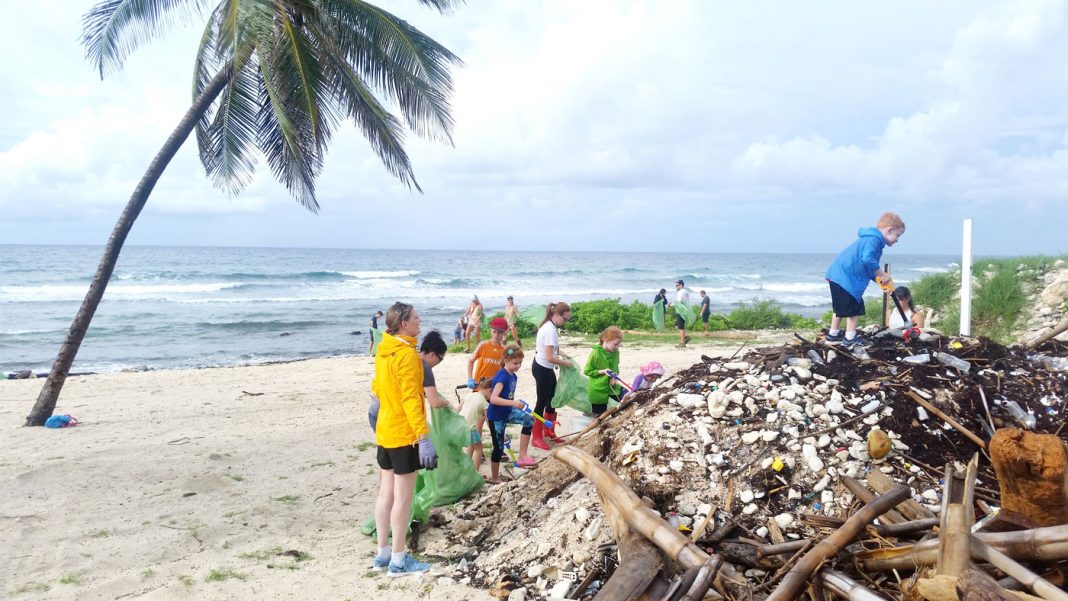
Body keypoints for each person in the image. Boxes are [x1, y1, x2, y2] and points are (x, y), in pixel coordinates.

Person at [370, 302, 435, 576]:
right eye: (415, 317)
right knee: (403, 498)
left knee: (385, 493)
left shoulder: (384, 351)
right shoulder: (407, 355)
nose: (420, 319)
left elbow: (377, 389)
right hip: (403, 434)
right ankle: (398, 560)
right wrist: (423, 436)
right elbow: (411, 398)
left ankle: (382, 554)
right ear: (404, 323)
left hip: (385, 432)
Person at [825, 212, 906, 348]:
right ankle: (850, 338)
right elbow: (868, 259)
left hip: (838, 275)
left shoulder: (870, 240)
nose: (897, 240)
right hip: (846, 278)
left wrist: (880, 280)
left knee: (840, 307)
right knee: (855, 308)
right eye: (897, 235)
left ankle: (833, 334)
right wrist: (883, 274)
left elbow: (869, 267)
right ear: (889, 230)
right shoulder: (874, 240)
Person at [488, 345, 537, 479]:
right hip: (496, 416)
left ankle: (522, 455)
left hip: (508, 411)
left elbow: (507, 396)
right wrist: (514, 403)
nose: (518, 366)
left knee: (529, 420)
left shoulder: (513, 376)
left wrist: (515, 403)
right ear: (505, 360)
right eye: (515, 363)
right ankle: (495, 477)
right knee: (498, 449)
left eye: (520, 363)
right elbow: (493, 399)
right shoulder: (502, 377)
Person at [531, 302, 573, 450]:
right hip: (542, 368)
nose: (566, 322)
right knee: (541, 402)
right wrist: (566, 364)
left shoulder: (550, 326)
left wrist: (562, 353)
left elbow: (551, 349)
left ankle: (548, 431)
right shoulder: (549, 329)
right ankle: (536, 437)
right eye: (565, 319)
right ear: (557, 314)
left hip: (545, 367)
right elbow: (549, 357)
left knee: (552, 400)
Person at [584, 326, 622, 417]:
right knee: (599, 417)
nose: (617, 347)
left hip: (612, 388)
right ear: (606, 340)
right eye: (615, 344)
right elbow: (587, 371)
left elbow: (616, 367)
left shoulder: (616, 352)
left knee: (622, 407)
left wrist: (614, 376)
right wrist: (602, 371)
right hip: (598, 389)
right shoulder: (595, 353)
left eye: (618, 344)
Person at [459, 379, 491, 473]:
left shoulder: (469, 395)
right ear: (490, 390)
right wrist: (498, 434)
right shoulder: (485, 404)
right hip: (471, 429)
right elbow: (489, 423)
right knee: (478, 448)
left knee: (470, 447)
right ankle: (475, 473)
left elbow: (458, 409)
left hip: (462, 426)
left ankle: (466, 470)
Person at [418, 330, 454, 414]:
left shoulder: (411, 358)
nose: (439, 363)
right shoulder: (425, 368)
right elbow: (435, 402)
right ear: (432, 355)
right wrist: (447, 403)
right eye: (440, 359)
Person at [467, 317, 507, 389]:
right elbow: (470, 361)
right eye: (494, 331)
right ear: (491, 331)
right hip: (479, 386)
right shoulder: (482, 345)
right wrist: (470, 379)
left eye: (500, 332)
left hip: (494, 388)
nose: (496, 335)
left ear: (504, 333)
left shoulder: (505, 350)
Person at [668, 279, 693, 348]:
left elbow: (678, 302)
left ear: (681, 285)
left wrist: (670, 305)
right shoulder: (686, 291)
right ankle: (685, 338)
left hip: (681, 311)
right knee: (678, 325)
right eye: (676, 285)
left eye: (677, 285)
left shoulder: (680, 292)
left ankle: (682, 343)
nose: (676, 287)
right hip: (685, 310)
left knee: (680, 327)